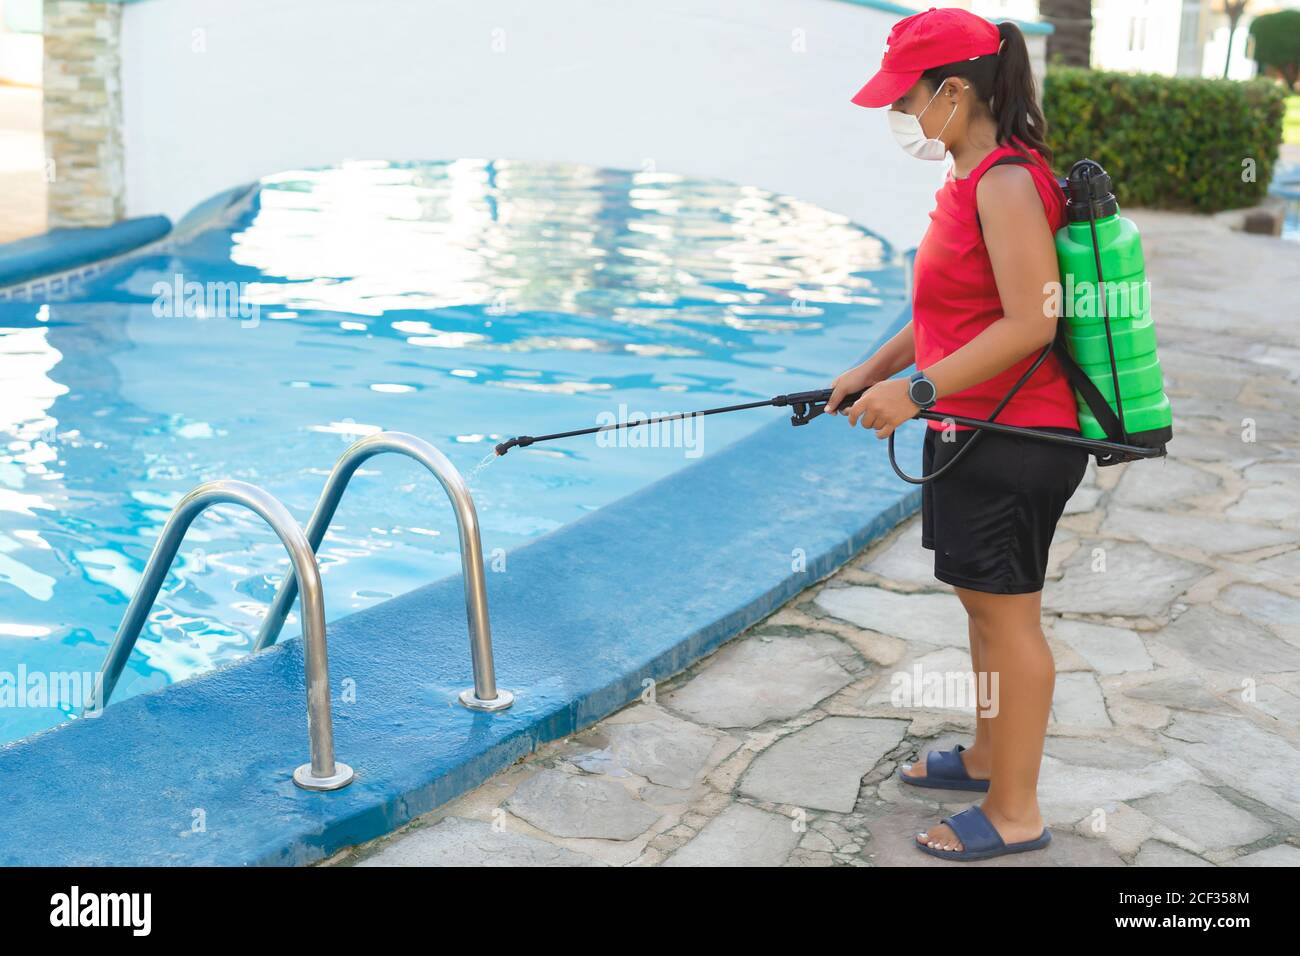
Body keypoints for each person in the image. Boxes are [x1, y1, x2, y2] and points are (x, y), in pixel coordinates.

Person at [825, 7, 1089, 862]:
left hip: (1018, 436)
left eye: (908, 101)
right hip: (974, 425)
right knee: (982, 606)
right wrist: (874, 369)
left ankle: (1015, 812)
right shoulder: (969, 177)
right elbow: (948, 310)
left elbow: (1031, 324)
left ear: (955, 91)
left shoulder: (1008, 182)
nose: (902, 118)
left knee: (1011, 621)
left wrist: (917, 390)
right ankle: (985, 757)